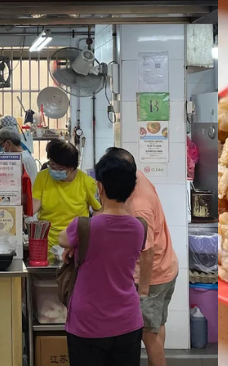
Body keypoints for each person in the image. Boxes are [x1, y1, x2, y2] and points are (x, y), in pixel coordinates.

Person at [58, 153, 145, 366]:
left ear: (100, 187)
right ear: (132, 189)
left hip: (87, 323)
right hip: (128, 321)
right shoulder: (139, 227)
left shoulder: (84, 226)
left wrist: (74, 247)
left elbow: (62, 239)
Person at [107, 148, 178, 366]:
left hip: (153, 276)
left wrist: (143, 294)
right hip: (167, 268)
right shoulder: (137, 176)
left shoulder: (139, 207)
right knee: (156, 326)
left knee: (149, 334)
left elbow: (147, 253)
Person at [33, 139, 102, 244]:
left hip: (75, 240)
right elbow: (34, 204)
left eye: (60, 169)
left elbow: (98, 210)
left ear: (72, 168)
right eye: (52, 166)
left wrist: (91, 233)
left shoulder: (87, 182)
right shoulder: (42, 177)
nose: (55, 171)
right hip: (47, 239)